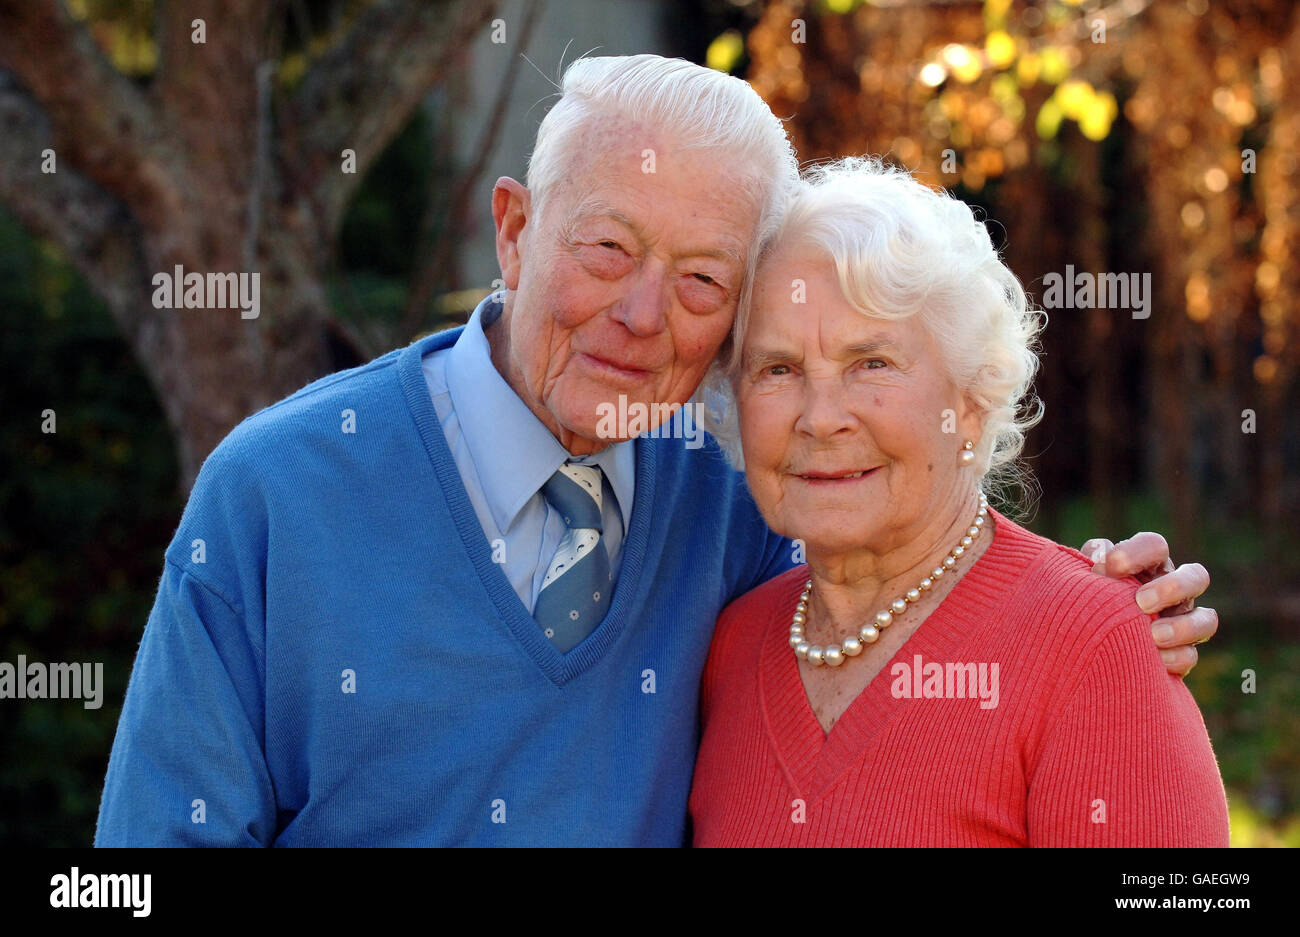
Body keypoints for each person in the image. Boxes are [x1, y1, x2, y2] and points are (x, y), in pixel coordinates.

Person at [95, 56, 1216, 847]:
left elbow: (915, 584)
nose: (640, 315)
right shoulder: (278, 493)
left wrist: (1093, 610)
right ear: (516, 230)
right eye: (605, 247)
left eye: (699, 281)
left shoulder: (730, 506)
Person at [688, 157, 1230, 846]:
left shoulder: (1095, 646)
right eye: (778, 369)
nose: (821, 418)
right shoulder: (730, 646)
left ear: (970, 403)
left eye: (871, 363)